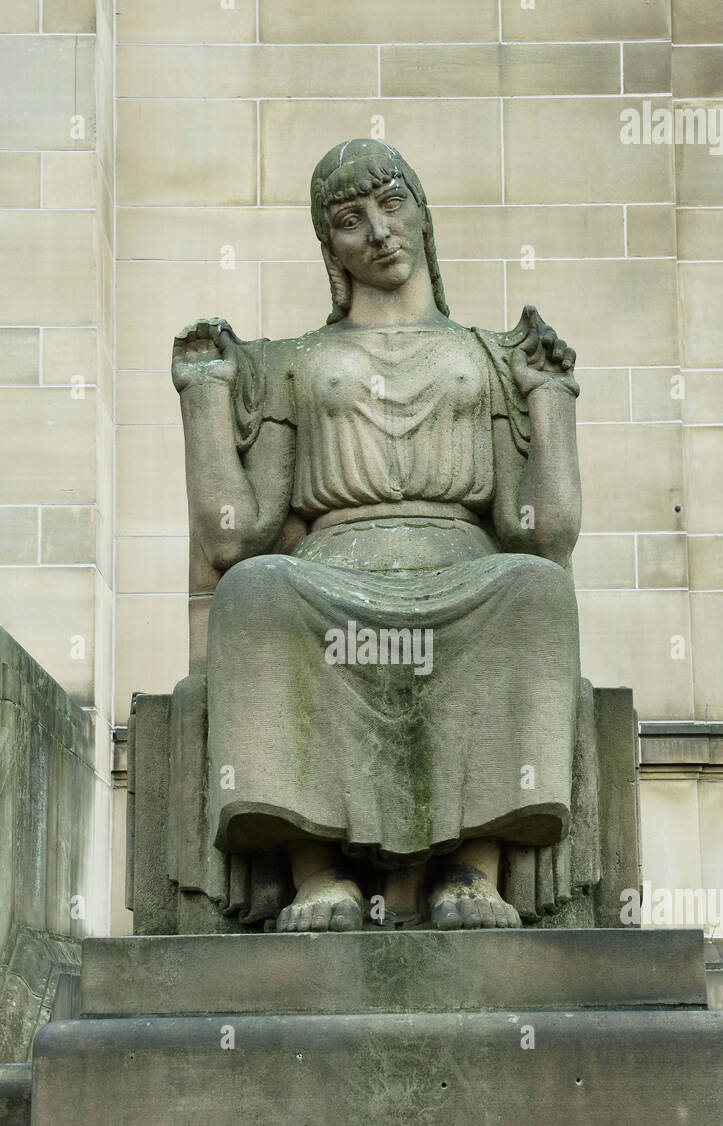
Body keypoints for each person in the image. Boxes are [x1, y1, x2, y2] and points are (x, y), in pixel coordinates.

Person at [172, 139, 582, 931]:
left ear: (424, 215)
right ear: (330, 249)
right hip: (330, 574)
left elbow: (545, 535)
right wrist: (205, 396)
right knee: (254, 590)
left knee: (536, 590)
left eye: (392, 204)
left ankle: (473, 869)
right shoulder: (296, 362)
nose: (378, 231)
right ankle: (316, 872)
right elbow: (234, 539)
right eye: (350, 220)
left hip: (466, 568)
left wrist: (552, 398)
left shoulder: (487, 357)